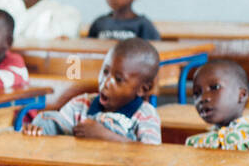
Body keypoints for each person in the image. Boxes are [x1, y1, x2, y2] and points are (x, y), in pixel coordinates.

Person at [25, 38, 161, 143]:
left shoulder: (145, 115)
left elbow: (150, 153)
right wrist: (38, 128)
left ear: (142, 89)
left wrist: (107, 137)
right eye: (105, 72)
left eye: (118, 79)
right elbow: (57, 123)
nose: (106, 82)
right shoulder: (82, 104)